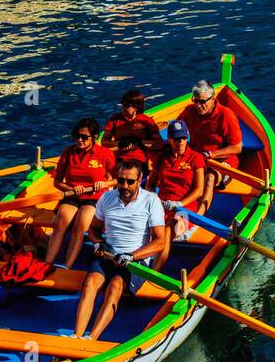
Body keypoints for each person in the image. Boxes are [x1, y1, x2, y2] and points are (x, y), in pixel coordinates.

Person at [74, 162, 166, 341]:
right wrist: (98, 242)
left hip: (135, 260)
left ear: (140, 180)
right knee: (90, 283)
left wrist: (132, 256)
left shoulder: (151, 201)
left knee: (115, 285)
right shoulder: (107, 199)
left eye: (130, 182)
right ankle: (76, 336)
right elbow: (93, 230)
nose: (124, 186)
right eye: (121, 181)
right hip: (108, 254)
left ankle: (91, 338)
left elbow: (160, 242)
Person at [44, 117, 116, 270]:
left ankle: (67, 266)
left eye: (84, 137)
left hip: (94, 198)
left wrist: (104, 184)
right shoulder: (68, 153)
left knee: (80, 225)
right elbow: (57, 182)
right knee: (60, 222)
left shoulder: (105, 154)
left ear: (95, 137)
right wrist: (70, 190)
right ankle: (47, 264)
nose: (80, 140)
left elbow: (118, 179)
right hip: (72, 196)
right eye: (77, 136)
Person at [146, 118, 205, 270]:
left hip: (185, 210)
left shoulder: (196, 158)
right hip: (162, 206)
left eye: (184, 138)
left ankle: (153, 275)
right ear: (170, 140)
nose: (181, 143)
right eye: (177, 139)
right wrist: (153, 198)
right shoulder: (162, 158)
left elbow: (199, 190)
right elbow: (150, 184)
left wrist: (179, 204)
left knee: (166, 232)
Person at [180, 79, 243, 215]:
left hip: (222, 161)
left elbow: (237, 148)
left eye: (202, 102)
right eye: (195, 101)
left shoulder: (226, 115)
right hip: (198, 158)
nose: (198, 105)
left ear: (213, 99)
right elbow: (176, 128)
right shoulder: (189, 111)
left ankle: (198, 217)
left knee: (209, 178)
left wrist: (211, 155)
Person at [103, 89, 162, 154]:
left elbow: (158, 144)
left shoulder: (146, 121)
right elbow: (104, 142)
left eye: (127, 105)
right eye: (122, 103)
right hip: (118, 155)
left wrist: (139, 142)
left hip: (139, 157)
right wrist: (119, 143)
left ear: (137, 107)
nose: (123, 107)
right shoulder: (114, 119)